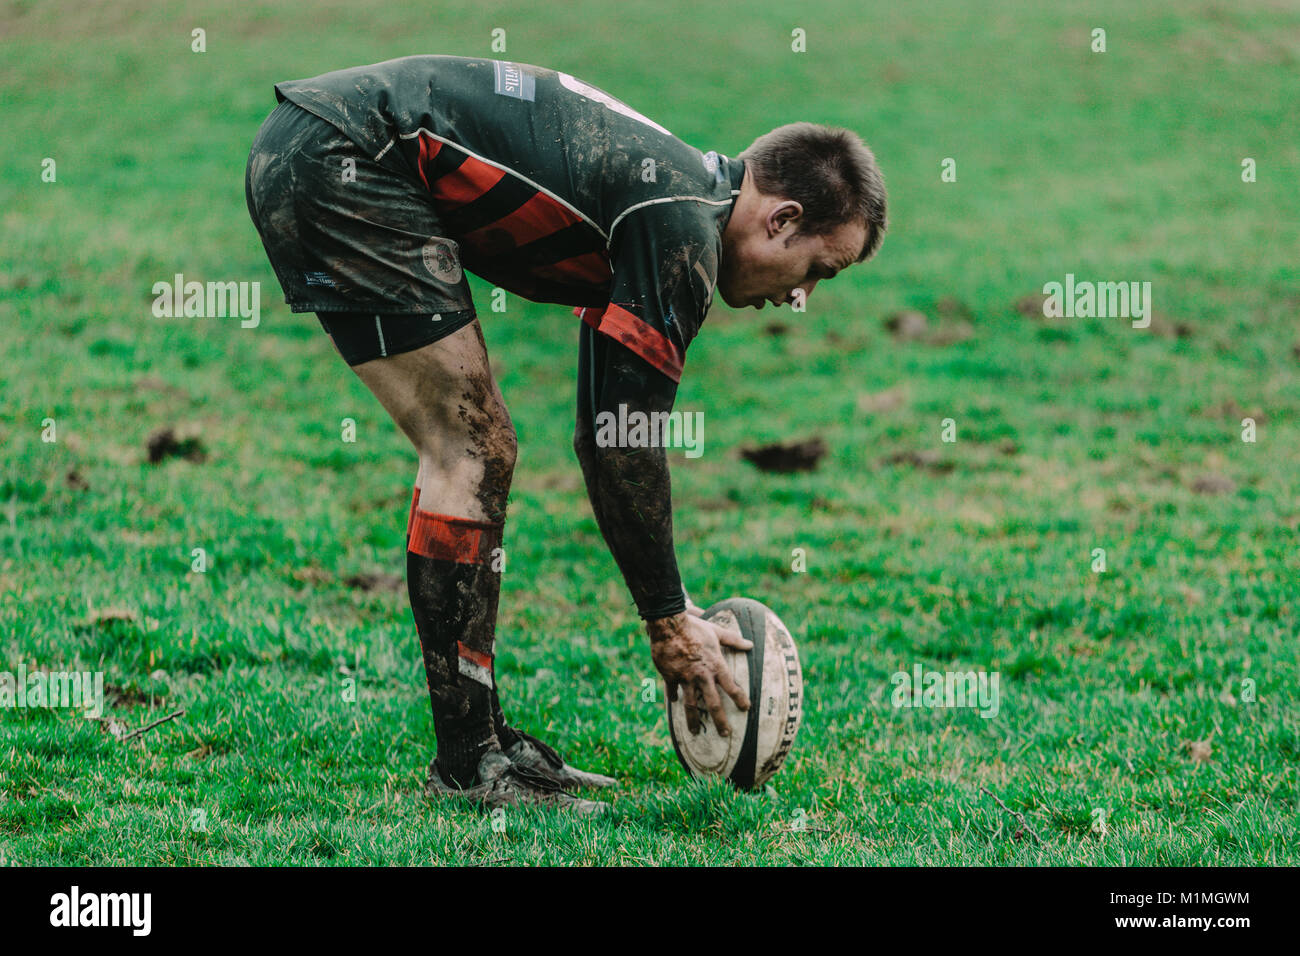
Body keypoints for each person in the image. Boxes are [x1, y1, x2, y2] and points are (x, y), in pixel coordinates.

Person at [244, 55, 887, 811]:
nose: (802, 297)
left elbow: (601, 432)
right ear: (782, 220)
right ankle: (470, 763)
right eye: (819, 271)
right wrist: (671, 620)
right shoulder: (680, 228)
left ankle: (482, 747)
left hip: (322, 144)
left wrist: (667, 608)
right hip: (345, 156)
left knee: (479, 447)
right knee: (472, 448)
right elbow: (625, 441)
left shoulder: (677, 208)